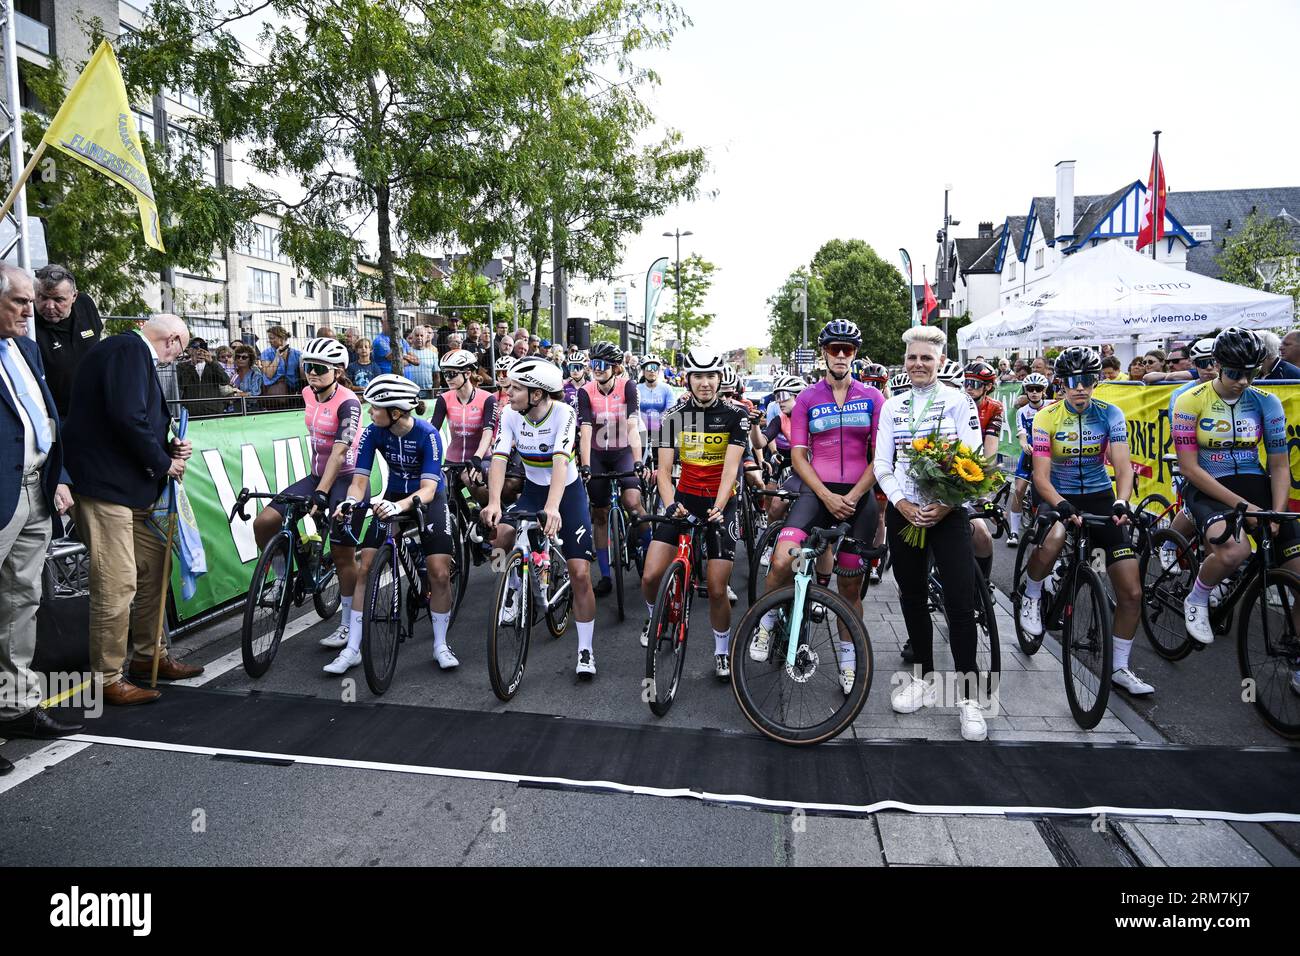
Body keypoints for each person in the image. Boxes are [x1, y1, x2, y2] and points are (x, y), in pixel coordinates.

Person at [64, 314, 203, 705]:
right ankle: (107, 677)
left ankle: (149, 656)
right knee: (117, 580)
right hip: (106, 487)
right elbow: (128, 417)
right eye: (178, 351)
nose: (173, 360)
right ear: (173, 339)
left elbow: (135, 419)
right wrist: (164, 463)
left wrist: (169, 448)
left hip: (129, 487)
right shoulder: (128, 349)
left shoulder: (126, 352)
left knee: (155, 566)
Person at [754, 322, 884, 693]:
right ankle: (765, 626)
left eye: (847, 349)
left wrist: (855, 496)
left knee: (850, 587)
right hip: (817, 492)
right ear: (824, 351)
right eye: (834, 349)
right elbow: (797, 456)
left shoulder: (873, 397)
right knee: (782, 559)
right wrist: (826, 496)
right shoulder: (809, 397)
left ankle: (846, 657)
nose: (841, 355)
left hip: (859, 496)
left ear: (855, 353)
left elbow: (880, 456)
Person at [1017, 347, 1152, 697]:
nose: (1081, 388)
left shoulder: (1110, 414)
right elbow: (1040, 475)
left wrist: (1122, 499)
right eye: (1074, 382)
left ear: (1096, 382)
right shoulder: (1047, 417)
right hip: (1056, 493)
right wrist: (1060, 504)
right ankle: (1031, 594)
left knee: (1132, 591)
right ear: (1061, 384)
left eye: (1088, 381)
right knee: (1056, 536)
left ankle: (1120, 666)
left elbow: (1123, 467)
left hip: (1099, 497)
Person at [874, 325, 988, 741]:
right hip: (906, 514)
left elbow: (971, 457)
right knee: (912, 597)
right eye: (912, 358)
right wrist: (902, 504)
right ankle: (922, 677)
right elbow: (882, 463)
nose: (918, 364)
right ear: (905, 362)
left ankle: (969, 695)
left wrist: (944, 505)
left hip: (948, 512)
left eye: (926, 358)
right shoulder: (892, 407)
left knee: (959, 604)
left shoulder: (959, 402)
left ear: (939, 362)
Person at [1173, 328, 1300, 649]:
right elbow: (1189, 467)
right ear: (1216, 364)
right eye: (1234, 373)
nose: (1243, 381)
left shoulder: (1266, 402)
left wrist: (1278, 511)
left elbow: (1280, 465)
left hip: (1255, 485)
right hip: (1207, 486)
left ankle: (1295, 645)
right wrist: (1247, 509)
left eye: (1251, 373)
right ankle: (1198, 596)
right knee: (1235, 550)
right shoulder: (1190, 400)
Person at [0, 264, 79, 764]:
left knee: (22, 600)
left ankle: (14, 706)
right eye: (19, 302)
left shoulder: (25, 347)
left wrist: (62, 475)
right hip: (4, 496)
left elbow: (44, 413)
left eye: (32, 301)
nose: (32, 311)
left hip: (36, 490)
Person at [480, 357, 599, 677]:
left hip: (567, 492)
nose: (508, 392)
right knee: (501, 535)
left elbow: (561, 462)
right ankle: (514, 585)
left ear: (538, 394)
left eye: (516, 388)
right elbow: (500, 458)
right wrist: (493, 502)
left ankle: (585, 648)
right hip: (533, 488)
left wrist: (554, 507)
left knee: (580, 573)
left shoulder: (564, 412)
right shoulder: (509, 413)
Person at [332, 375, 459, 673]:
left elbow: (428, 490)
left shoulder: (428, 434)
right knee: (366, 565)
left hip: (428, 499)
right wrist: (350, 501)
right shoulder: (372, 432)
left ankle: (441, 643)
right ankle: (353, 648)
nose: (369, 411)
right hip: (393, 493)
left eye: (376, 407)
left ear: (397, 412)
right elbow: (359, 480)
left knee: (440, 573)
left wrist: (397, 506)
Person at [251, 338, 366, 653]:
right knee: (264, 523)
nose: (311, 373)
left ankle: (348, 624)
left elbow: (341, 453)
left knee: (343, 554)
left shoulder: (349, 403)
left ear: (339, 371)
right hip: (316, 475)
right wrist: (317, 486)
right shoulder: (306, 393)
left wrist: (322, 492)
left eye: (319, 368)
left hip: (346, 479)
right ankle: (283, 577)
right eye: (306, 367)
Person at [640, 350, 748, 679]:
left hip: (720, 501)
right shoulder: (674, 415)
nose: (704, 382)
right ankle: (655, 616)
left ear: (719, 379)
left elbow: (731, 469)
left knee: (716, 588)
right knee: (649, 576)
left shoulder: (735, 416)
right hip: (683, 498)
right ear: (688, 379)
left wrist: (718, 505)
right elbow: (663, 470)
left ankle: (721, 649)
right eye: (698, 377)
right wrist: (671, 503)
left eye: (711, 376)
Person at [578, 342, 646, 596]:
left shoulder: (628, 387)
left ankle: (649, 553)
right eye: (592, 364)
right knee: (599, 513)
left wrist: (638, 460)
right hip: (597, 454)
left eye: (601, 365)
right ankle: (606, 575)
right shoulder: (585, 392)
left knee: (632, 501)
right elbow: (585, 433)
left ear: (615, 368)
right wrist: (585, 465)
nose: (595, 369)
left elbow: (632, 426)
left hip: (623, 451)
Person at [32, 263, 102, 420]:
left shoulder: (86, 305)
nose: (49, 306)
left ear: (74, 297)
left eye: (58, 299)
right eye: (42, 297)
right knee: (52, 444)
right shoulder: (27, 321)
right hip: (49, 416)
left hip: (93, 411)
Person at [430, 348, 495, 507]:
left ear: (467, 373)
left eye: (452, 374)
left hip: (481, 458)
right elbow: (432, 432)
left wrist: (478, 457)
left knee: (469, 478)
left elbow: (488, 432)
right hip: (452, 460)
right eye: (445, 373)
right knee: (443, 492)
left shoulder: (487, 399)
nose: (447, 378)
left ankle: (490, 513)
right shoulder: (444, 399)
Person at [1005, 372, 1051, 545]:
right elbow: (1022, 433)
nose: (1034, 392)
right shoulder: (1022, 411)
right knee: (1019, 490)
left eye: (1038, 389)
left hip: (1047, 453)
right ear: (1025, 390)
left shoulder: (1051, 406)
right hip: (1030, 452)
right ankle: (1014, 532)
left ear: (1044, 390)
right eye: (1030, 389)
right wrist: (1024, 444)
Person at [177, 337, 237, 417]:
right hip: (191, 412)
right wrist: (192, 365)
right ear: (189, 350)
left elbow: (225, 381)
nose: (200, 351)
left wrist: (212, 363)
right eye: (196, 347)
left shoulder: (213, 365)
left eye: (202, 347)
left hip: (213, 411)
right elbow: (181, 385)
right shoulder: (182, 366)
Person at [636, 354, 675, 452]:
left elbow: (671, 409)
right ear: (643, 371)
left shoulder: (667, 389)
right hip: (641, 431)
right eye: (649, 368)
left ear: (658, 370)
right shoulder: (637, 388)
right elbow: (633, 411)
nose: (652, 371)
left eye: (655, 367)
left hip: (661, 430)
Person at [258, 326, 302, 396]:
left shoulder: (297, 354)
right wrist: (277, 357)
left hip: (293, 392)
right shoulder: (266, 353)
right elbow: (269, 375)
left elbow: (303, 377)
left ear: (282, 338)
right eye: (269, 338)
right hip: (273, 391)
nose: (270, 341)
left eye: (272, 338)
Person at [407, 325, 440, 395]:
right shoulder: (407, 352)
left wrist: (434, 393)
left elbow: (436, 376)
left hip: (427, 393)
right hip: (410, 393)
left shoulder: (432, 354)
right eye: (417, 335)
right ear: (412, 337)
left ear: (425, 337)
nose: (419, 338)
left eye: (422, 336)